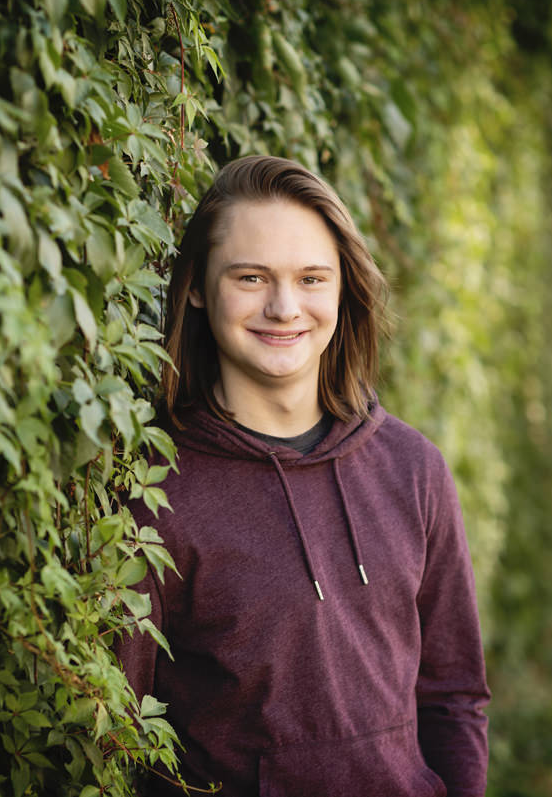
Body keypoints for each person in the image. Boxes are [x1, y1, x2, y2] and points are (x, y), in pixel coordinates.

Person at [116, 155, 489, 797]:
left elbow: (454, 694)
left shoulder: (412, 468)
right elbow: (119, 733)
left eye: (312, 278)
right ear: (200, 288)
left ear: (343, 288)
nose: (285, 307)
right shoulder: (156, 492)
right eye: (252, 277)